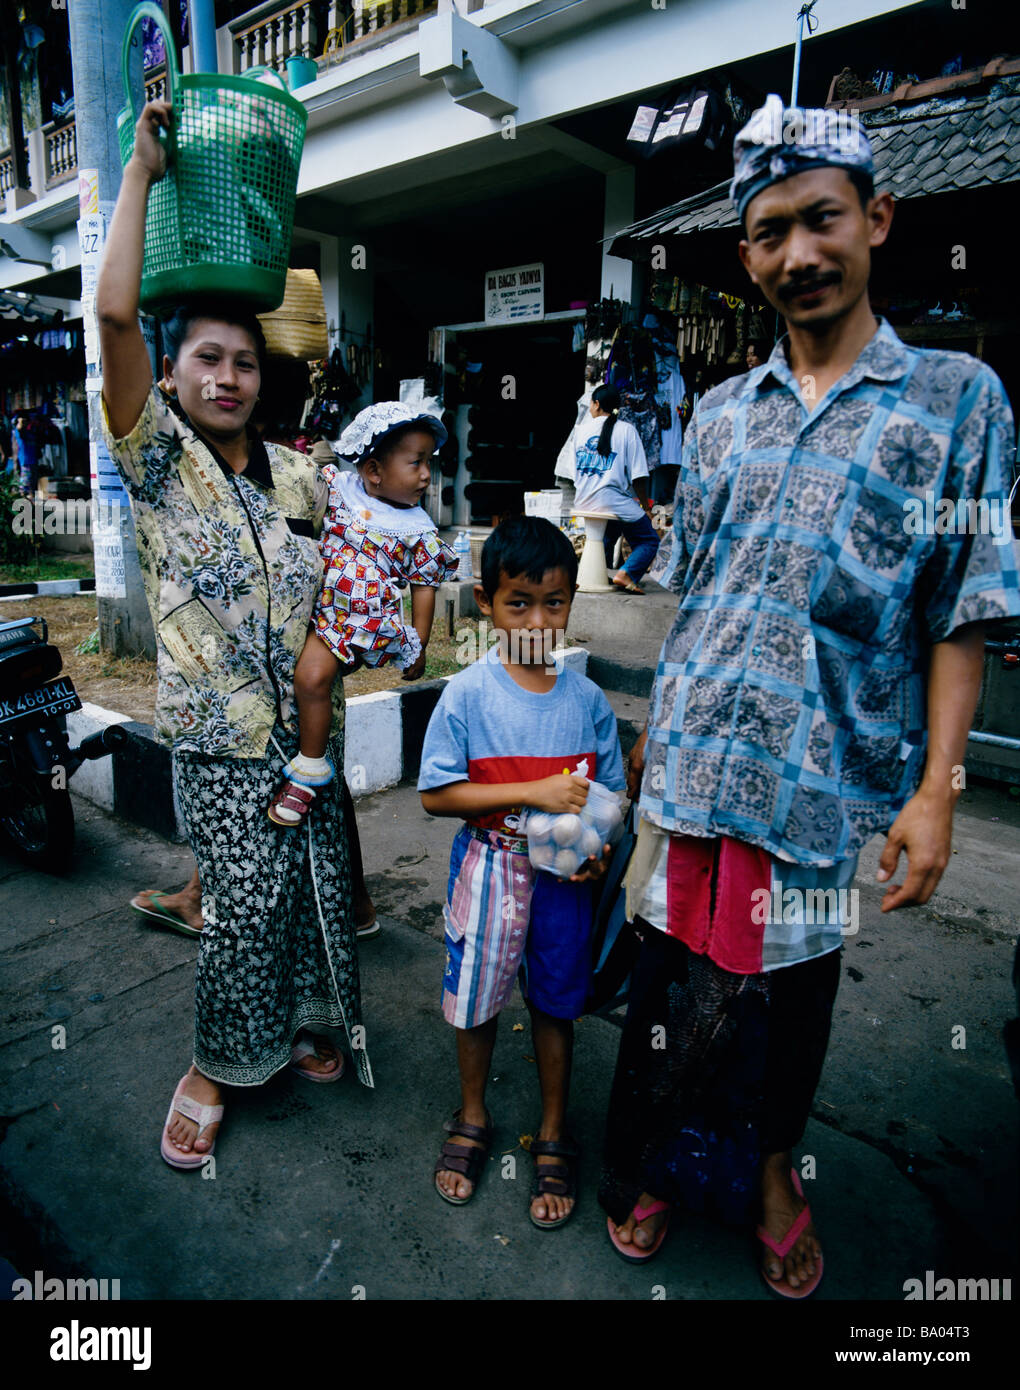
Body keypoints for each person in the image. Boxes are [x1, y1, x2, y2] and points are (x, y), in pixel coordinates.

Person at [599, 93, 1020, 1293]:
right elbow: (698, 607)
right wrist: (644, 753)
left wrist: (936, 792)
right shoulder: (720, 417)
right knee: (673, 985)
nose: (799, 253)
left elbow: (961, 613)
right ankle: (656, 1157)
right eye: (770, 231)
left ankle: (776, 1168)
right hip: (692, 770)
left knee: (788, 1001)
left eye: (821, 219)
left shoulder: (957, 403)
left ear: (877, 218)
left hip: (823, 788)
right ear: (746, 256)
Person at [98, 98, 373, 1171]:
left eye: (244, 362)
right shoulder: (158, 465)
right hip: (217, 738)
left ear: (266, 377)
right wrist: (139, 176)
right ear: (170, 378)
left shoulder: (305, 476)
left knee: (309, 891)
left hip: (309, 734)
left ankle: (301, 1021)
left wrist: (336, 650)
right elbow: (117, 319)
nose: (225, 376)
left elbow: (350, 588)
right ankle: (213, 1065)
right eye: (205, 359)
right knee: (243, 909)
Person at [419, 516, 624, 1227]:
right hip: (490, 868)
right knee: (477, 1000)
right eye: (518, 603)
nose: (538, 621)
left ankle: (555, 1129)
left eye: (555, 603)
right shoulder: (469, 695)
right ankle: (472, 1114)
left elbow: (610, 802)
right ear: (486, 601)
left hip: (565, 886)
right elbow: (437, 794)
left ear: (572, 602)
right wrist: (530, 791)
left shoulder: (588, 704)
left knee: (556, 1004)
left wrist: (598, 851)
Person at [266, 401, 458, 826]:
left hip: (355, 620)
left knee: (311, 679)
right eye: (416, 463)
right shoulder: (339, 489)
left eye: (429, 462)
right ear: (373, 471)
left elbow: (425, 586)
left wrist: (418, 644)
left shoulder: (417, 528)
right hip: (313, 605)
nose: (427, 475)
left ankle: (309, 771)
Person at [570, 384, 659, 594]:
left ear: (596, 404)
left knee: (611, 529)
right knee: (649, 539)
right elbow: (639, 477)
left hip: (583, 499)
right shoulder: (627, 430)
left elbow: (575, 475)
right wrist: (645, 506)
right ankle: (625, 573)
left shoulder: (580, 431)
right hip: (611, 500)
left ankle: (596, 574)